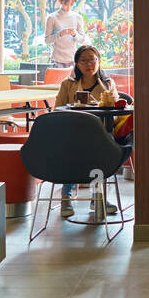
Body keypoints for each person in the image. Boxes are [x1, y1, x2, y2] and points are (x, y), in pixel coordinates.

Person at [53, 45, 122, 218]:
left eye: (92, 59)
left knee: (101, 151)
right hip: (72, 132)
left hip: (100, 133)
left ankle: (98, 198)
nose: (88, 64)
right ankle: (66, 197)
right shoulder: (68, 85)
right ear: (76, 64)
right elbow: (57, 111)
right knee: (70, 150)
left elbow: (115, 111)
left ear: (98, 61)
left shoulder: (107, 84)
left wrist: (106, 96)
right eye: (83, 60)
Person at [45, 0, 86, 69]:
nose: (68, 7)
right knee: (58, 82)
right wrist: (60, 34)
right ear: (60, 2)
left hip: (73, 60)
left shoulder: (77, 17)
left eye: (71, 4)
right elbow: (47, 40)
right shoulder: (52, 18)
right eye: (66, 4)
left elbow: (82, 40)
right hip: (57, 60)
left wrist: (75, 34)